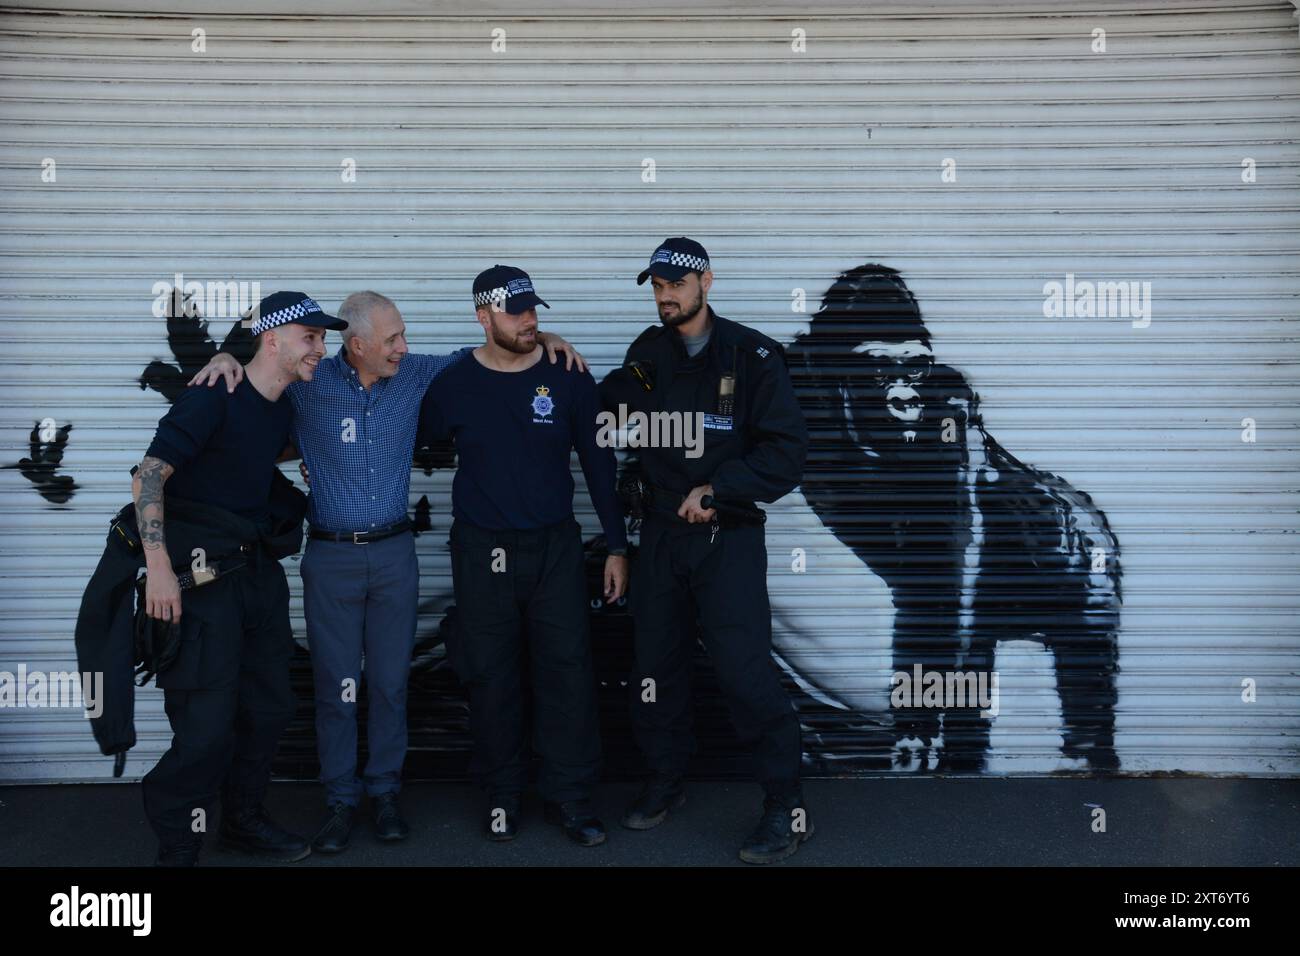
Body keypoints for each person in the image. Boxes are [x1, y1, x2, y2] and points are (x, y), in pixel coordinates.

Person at [188, 292, 585, 854]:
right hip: (330, 557)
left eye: (403, 335)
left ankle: (386, 793)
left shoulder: (417, 373)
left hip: (395, 553)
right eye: (393, 339)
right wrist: (226, 358)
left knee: (392, 684)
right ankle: (339, 802)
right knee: (335, 689)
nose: (405, 346)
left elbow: (489, 353)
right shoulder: (309, 381)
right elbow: (260, 379)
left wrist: (542, 338)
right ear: (357, 345)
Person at [601, 237, 812, 863]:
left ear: (706, 282)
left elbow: (786, 453)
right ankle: (666, 782)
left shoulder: (753, 356)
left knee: (746, 674)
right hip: (661, 538)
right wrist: (559, 360)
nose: (666, 295)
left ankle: (785, 807)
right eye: (657, 286)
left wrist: (721, 488)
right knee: (655, 670)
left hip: (727, 541)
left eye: (676, 284)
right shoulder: (649, 351)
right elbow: (617, 401)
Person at [417, 265, 628, 846]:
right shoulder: (452, 384)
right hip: (482, 549)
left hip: (554, 545)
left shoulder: (569, 377)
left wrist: (616, 544)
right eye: (516, 312)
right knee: (492, 677)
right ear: (483, 317)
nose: (531, 320)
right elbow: (406, 439)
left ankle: (572, 797)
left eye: (535, 309)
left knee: (567, 673)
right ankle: (502, 795)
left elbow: (599, 466)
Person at [135, 290, 345, 866]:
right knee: (206, 727)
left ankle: (243, 821)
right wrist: (158, 572)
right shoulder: (212, 396)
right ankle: (177, 838)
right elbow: (149, 476)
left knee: (268, 709)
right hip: (199, 588)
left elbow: (238, 459)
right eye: (311, 337)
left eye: (324, 339)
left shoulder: (281, 405)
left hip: (257, 580)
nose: (321, 349)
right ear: (272, 340)